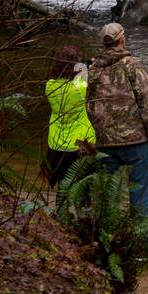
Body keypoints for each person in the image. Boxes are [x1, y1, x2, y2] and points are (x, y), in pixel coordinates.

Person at [85, 22, 148, 214]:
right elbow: (147, 100)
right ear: (122, 39)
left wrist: (100, 132)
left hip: (105, 142)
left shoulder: (93, 69)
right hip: (134, 141)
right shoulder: (132, 64)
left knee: (108, 196)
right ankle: (140, 238)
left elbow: (89, 106)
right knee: (140, 196)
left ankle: (107, 236)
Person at [44, 44, 96, 195]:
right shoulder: (80, 87)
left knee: (63, 185)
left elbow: (80, 73)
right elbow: (83, 74)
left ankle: (60, 215)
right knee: (81, 187)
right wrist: (88, 64)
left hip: (56, 143)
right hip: (79, 144)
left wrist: (84, 65)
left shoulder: (50, 86)